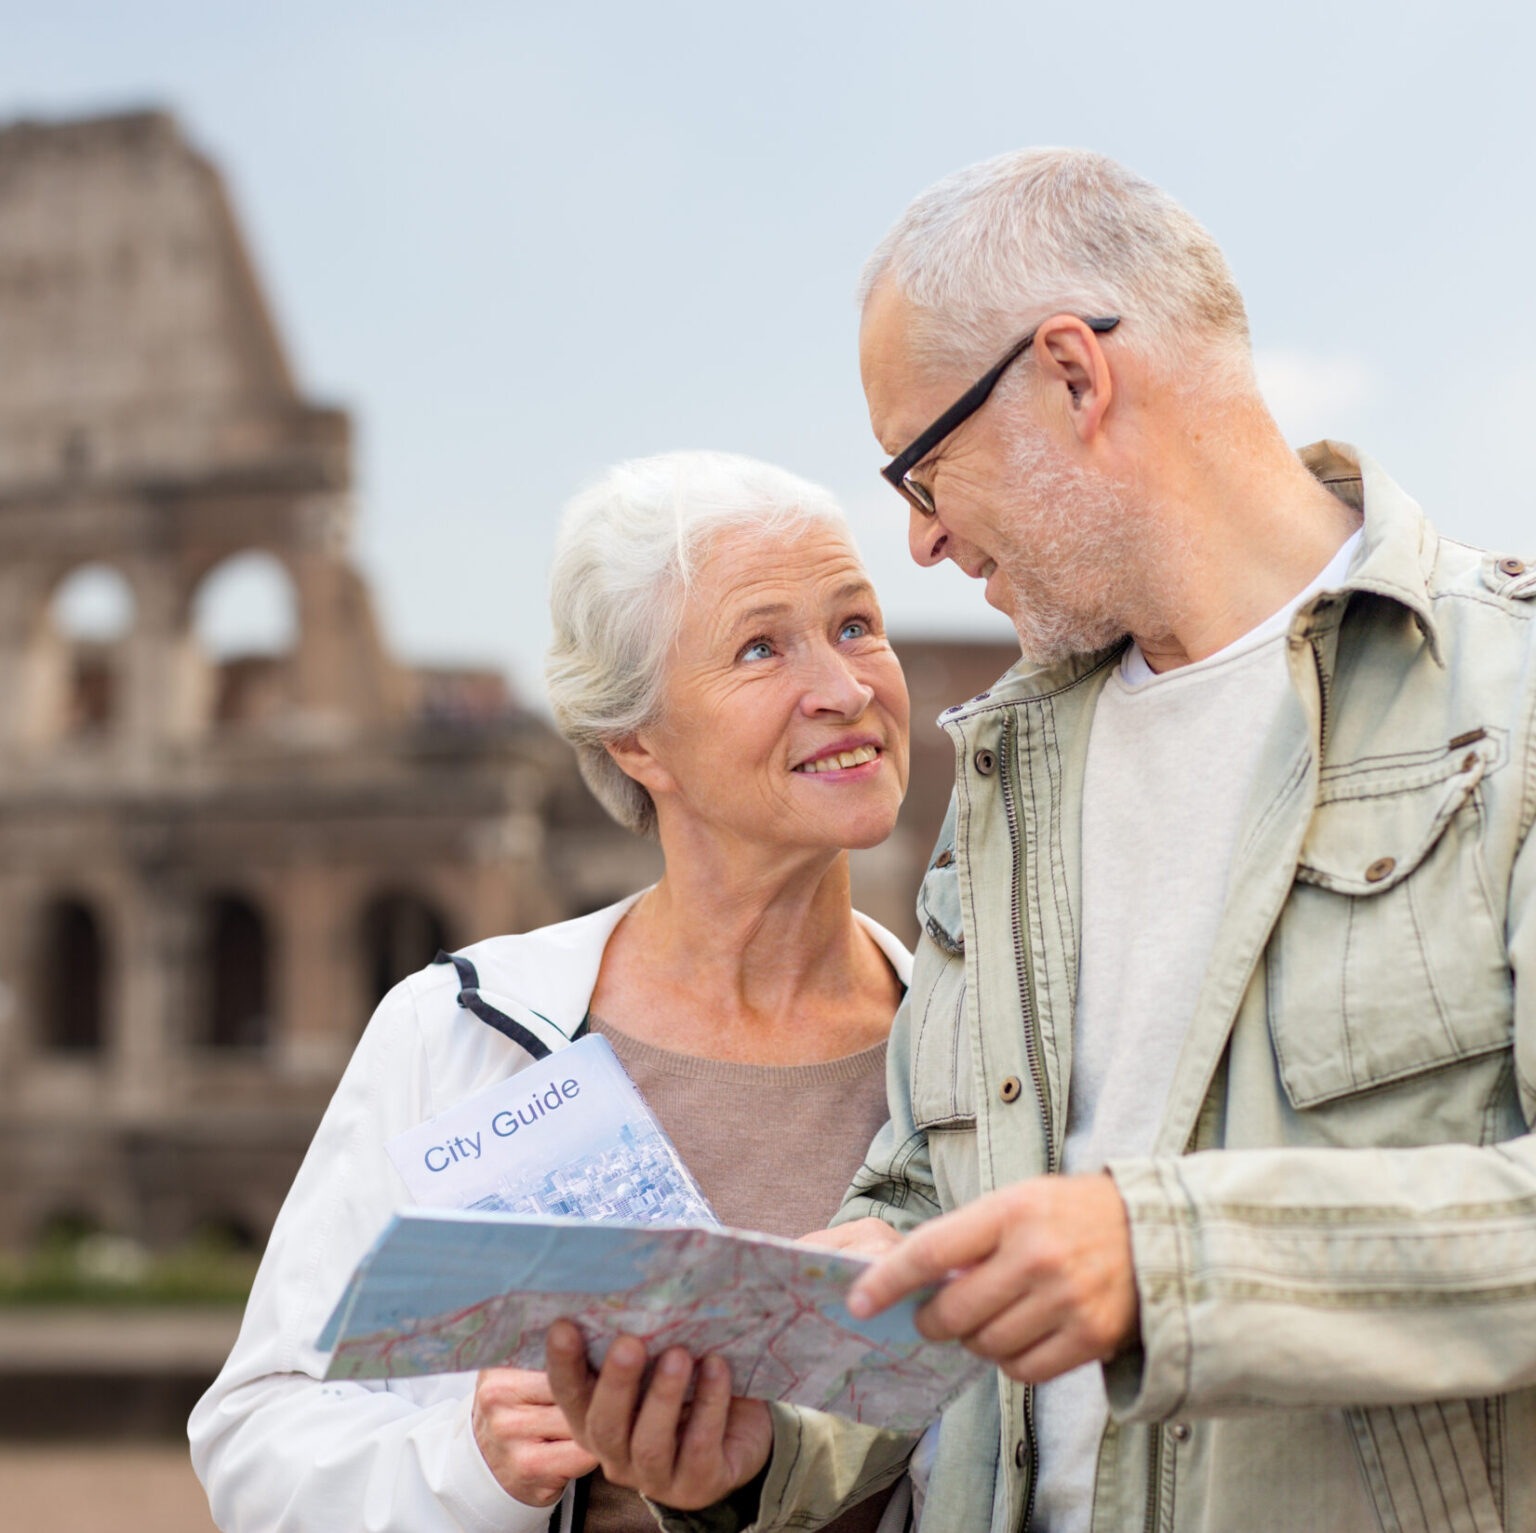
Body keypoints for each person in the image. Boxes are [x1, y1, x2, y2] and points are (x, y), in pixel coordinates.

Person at [546, 150, 1536, 1532]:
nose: (923, 539)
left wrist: (1161, 1256)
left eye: (923, 464)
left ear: (1073, 376)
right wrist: (764, 1435)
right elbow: (926, 1207)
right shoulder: (1008, 772)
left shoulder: (1514, 702)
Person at [188, 450, 918, 1533]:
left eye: (857, 625)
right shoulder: (458, 1029)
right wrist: (475, 1463)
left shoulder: (973, 1046)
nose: (846, 688)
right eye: (761, 646)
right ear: (636, 741)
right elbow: (255, 1440)